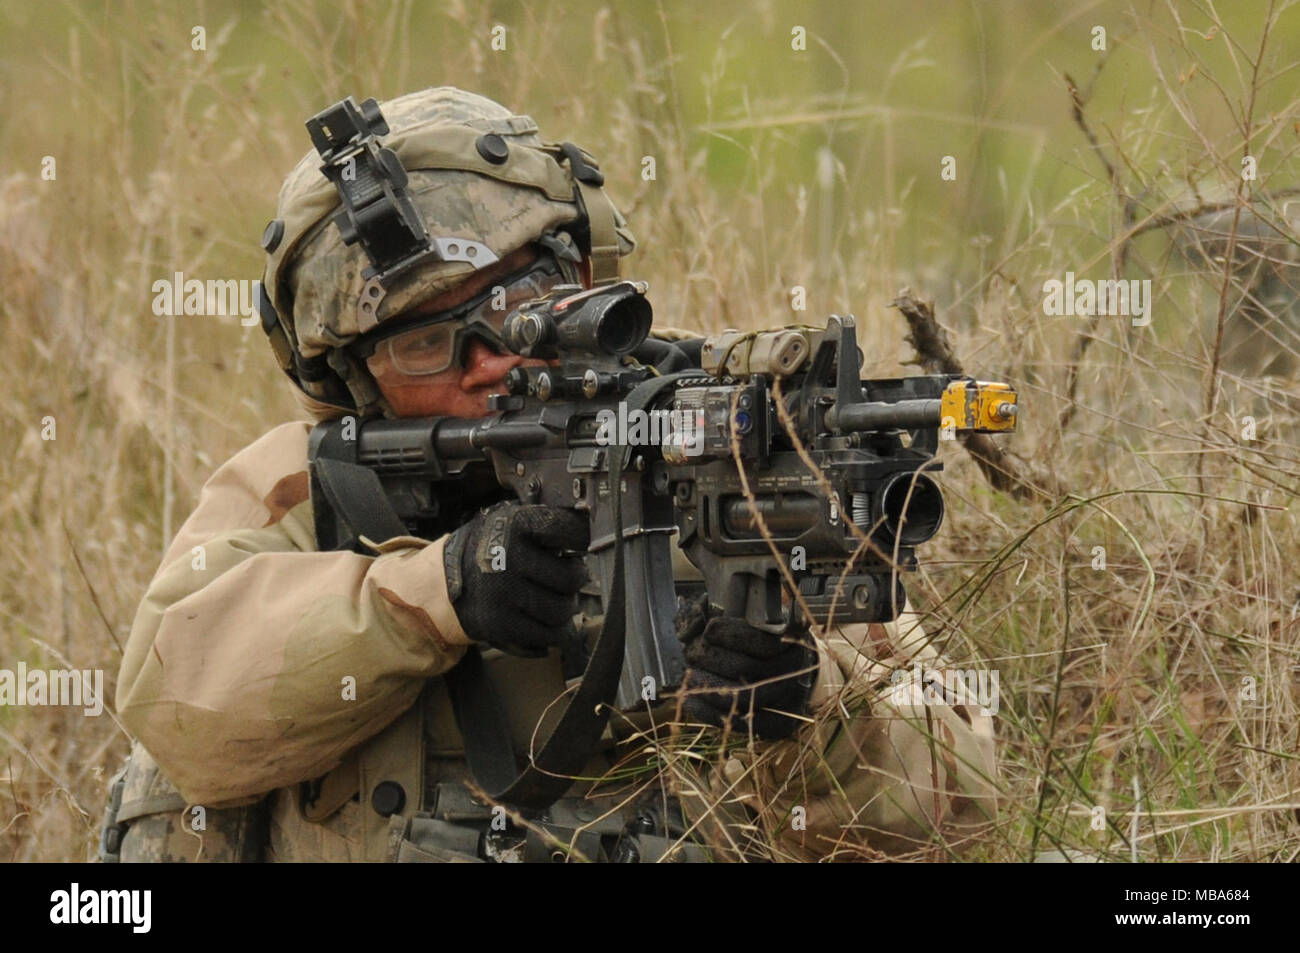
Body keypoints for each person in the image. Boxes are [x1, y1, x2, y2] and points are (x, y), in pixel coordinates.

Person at [101, 87, 999, 863]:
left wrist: (809, 705)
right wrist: (438, 591)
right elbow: (175, 706)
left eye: (521, 305)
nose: (493, 361)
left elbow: (958, 811)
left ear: (585, 281)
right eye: (425, 342)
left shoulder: (707, 450)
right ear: (354, 383)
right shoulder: (309, 488)